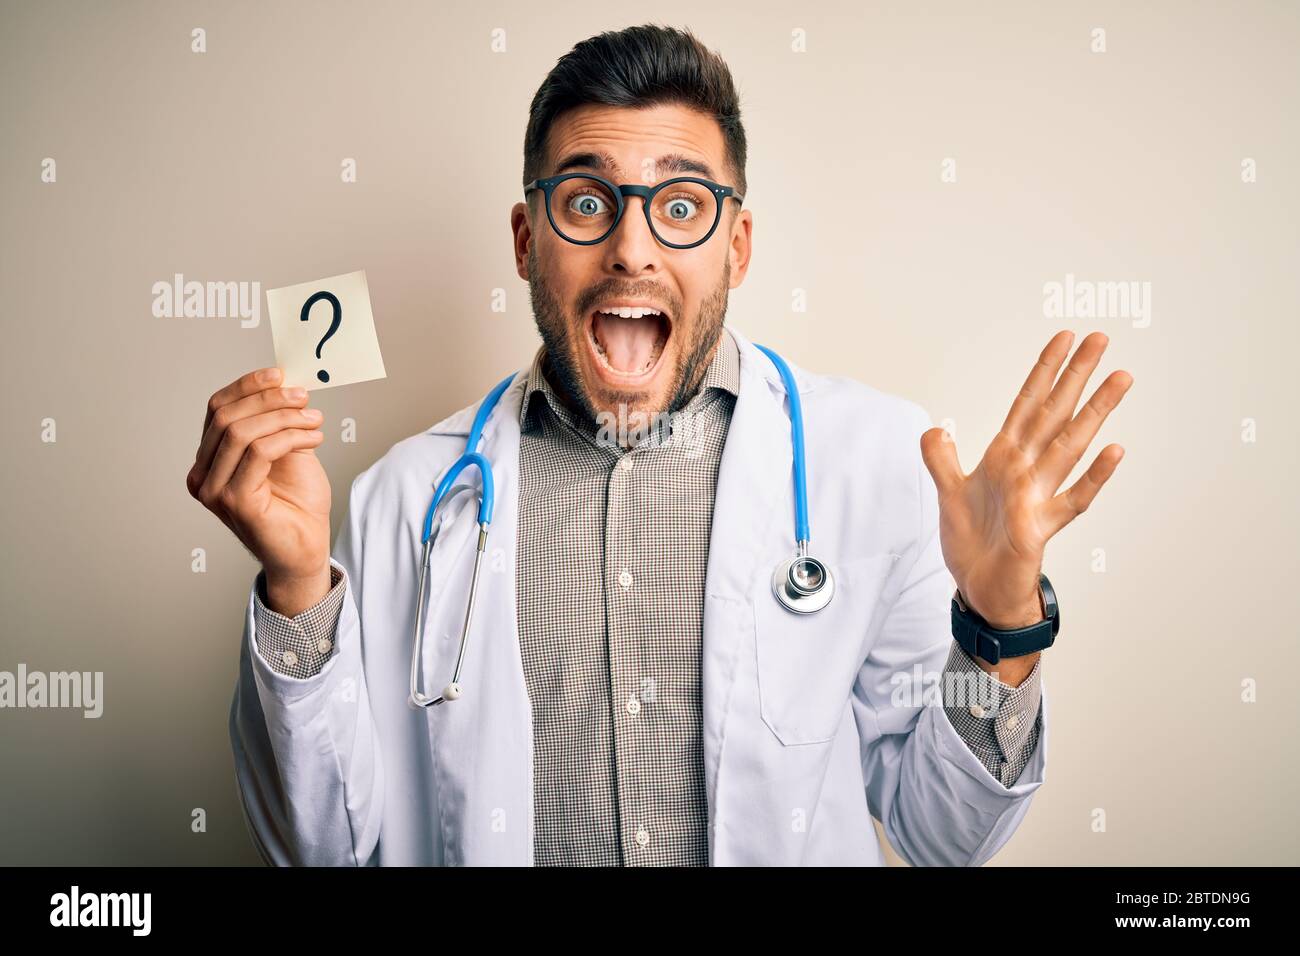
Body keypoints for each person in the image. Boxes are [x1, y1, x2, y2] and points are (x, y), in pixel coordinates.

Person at [186, 24, 1132, 866]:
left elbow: (942, 834)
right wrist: (298, 589)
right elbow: (319, 847)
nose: (632, 249)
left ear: (738, 246)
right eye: (589, 202)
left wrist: (1001, 621)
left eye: (680, 206)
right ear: (526, 241)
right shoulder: (404, 499)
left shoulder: (878, 464)